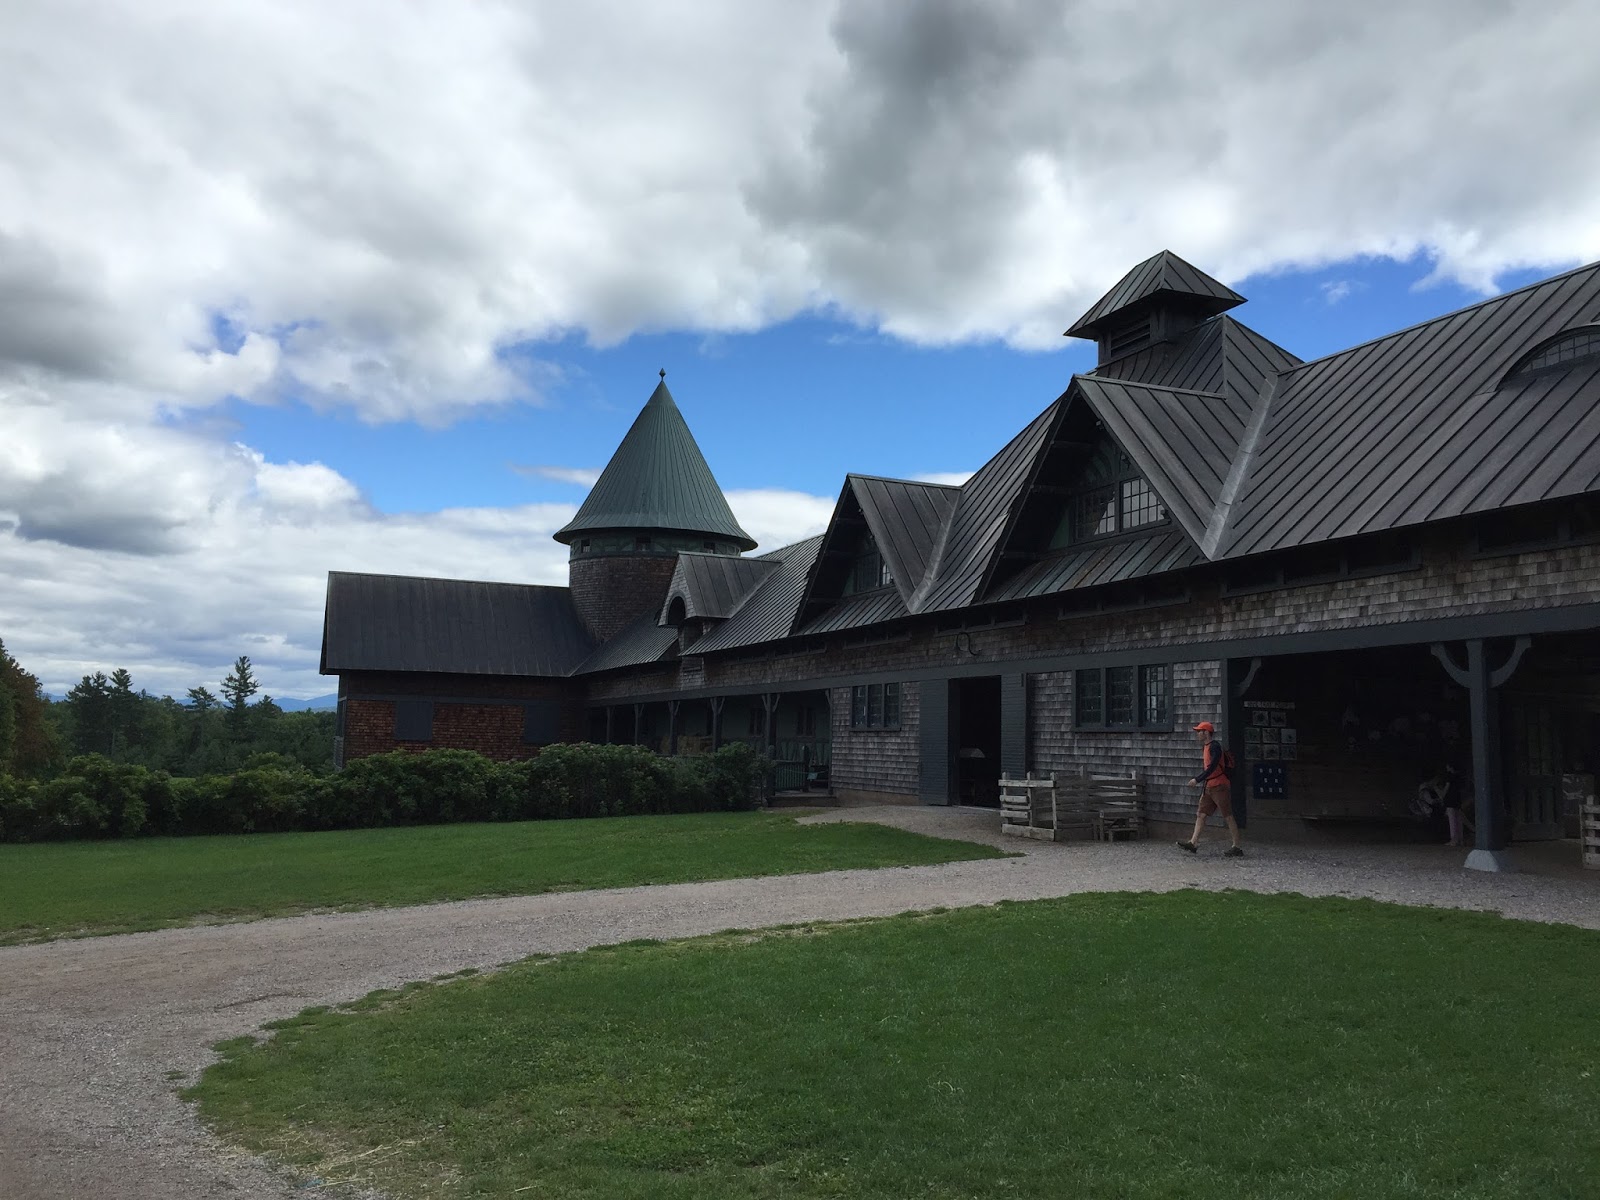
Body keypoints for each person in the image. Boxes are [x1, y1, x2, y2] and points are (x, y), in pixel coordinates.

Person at [1177, 721, 1242, 857]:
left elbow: (1212, 767)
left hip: (1219, 785)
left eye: (1199, 731)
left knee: (1228, 816)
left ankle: (1237, 846)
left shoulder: (1215, 747)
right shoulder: (1206, 747)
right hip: (1209, 786)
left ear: (1206, 733)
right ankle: (1193, 842)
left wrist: (1197, 779)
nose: (1197, 734)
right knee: (1201, 814)